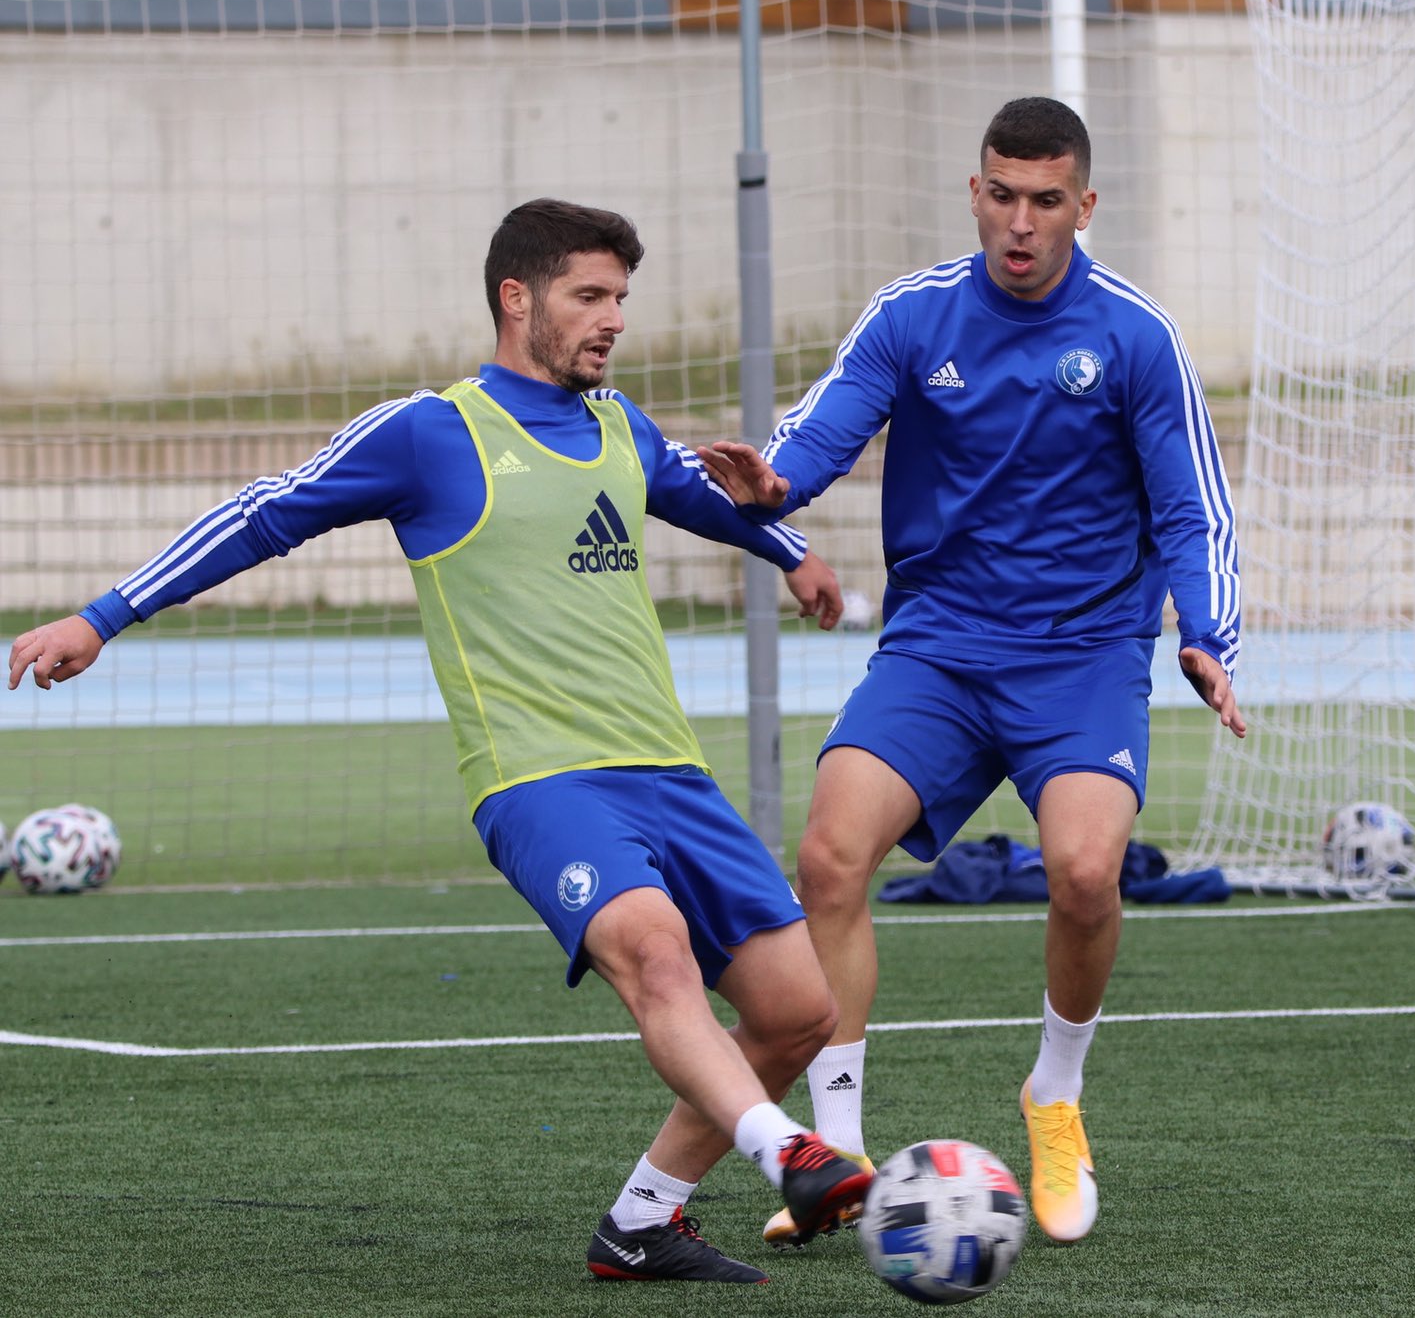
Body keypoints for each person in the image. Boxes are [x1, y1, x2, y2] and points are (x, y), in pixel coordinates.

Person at [7, 199, 873, 1281]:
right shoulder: (431, 430)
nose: (611, 319)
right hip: (537, 778)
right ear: (517, 298)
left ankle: (641, 1223)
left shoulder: (619, 427)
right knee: (653, 952)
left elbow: (696, 495)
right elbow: (267, 510)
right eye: (588, 296)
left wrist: (789, 549)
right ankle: (786, 1149)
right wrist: (101, 614)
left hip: (669, 769)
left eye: (619, 299)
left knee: (795, 1014)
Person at [697, 96, 1245, 1244]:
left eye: (1046, 201)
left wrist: (1205, 631)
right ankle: (837, 1152)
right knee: (828, 853)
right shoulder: (913, 316)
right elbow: (822, 428)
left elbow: (1191, 504)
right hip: (938, 649)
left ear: (1083, 206)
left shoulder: (1136, 335)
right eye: (1001, 194)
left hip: (1084, 658)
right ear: (974, 190)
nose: (1020, 221)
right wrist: (775, 487)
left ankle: (1053, 1093)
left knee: (1087, 873)